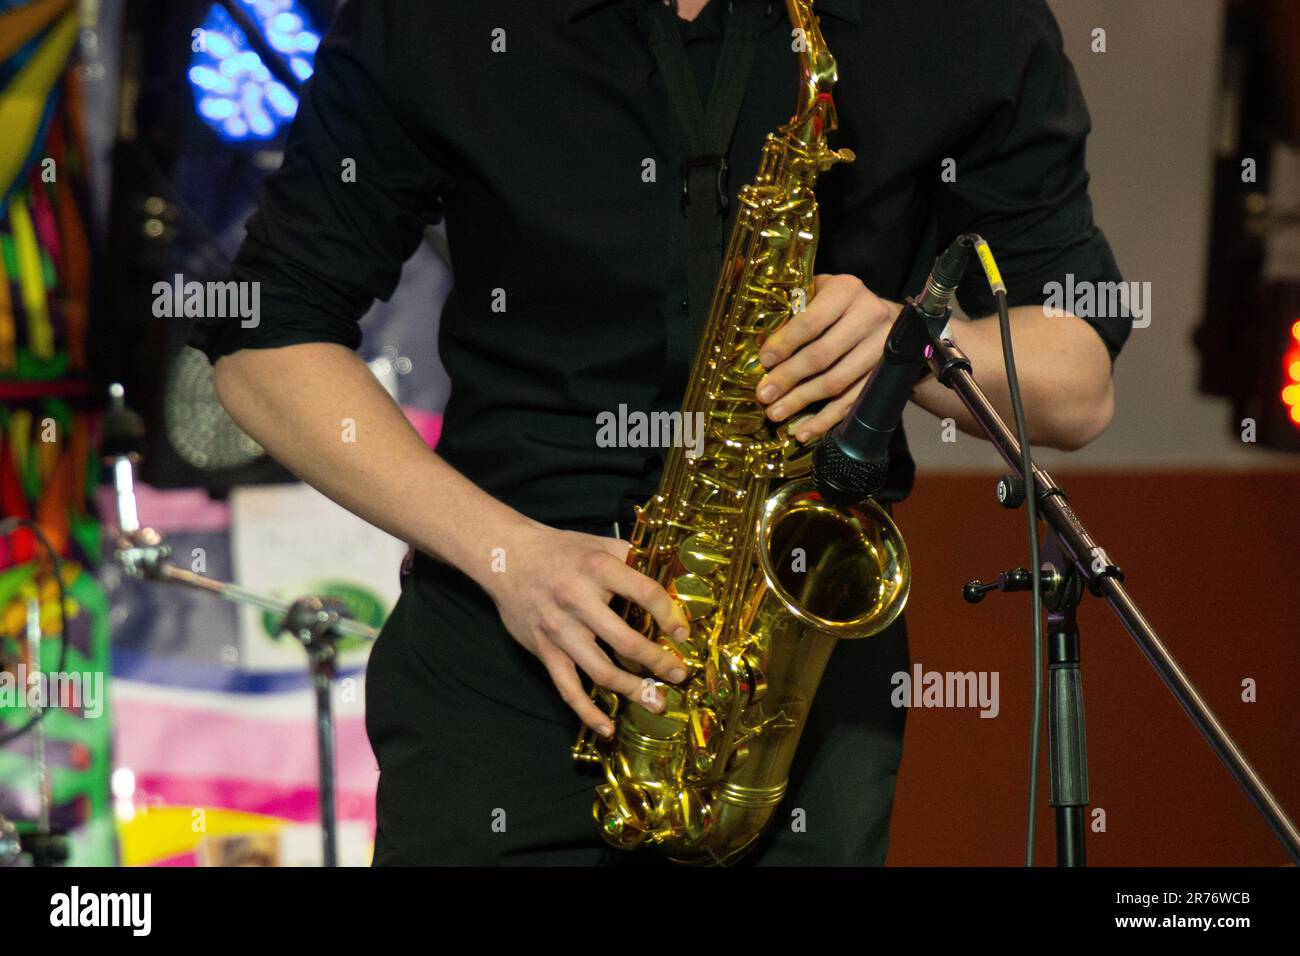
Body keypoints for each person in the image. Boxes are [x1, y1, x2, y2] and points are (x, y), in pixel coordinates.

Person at [191, 0, 1130, 865]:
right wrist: (512, 556)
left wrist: (919, 345)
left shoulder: (956, 19)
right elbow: (262, 339)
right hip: (503, 645)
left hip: (788, 679)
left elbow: (1078, 386)